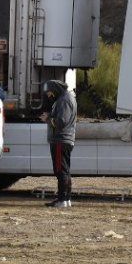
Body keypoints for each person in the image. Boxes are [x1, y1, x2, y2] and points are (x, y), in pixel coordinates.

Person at [41, 80, 76, 208]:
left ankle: (62, 199)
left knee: (61, 171)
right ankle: (66, 199)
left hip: (60, 140)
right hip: (64, 139)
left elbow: (61, 122)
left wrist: (48, 119)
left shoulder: (64, 100)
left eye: (50, 92)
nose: (49, 95)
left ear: (55, 89)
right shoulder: (66, 98)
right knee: (64, 170)